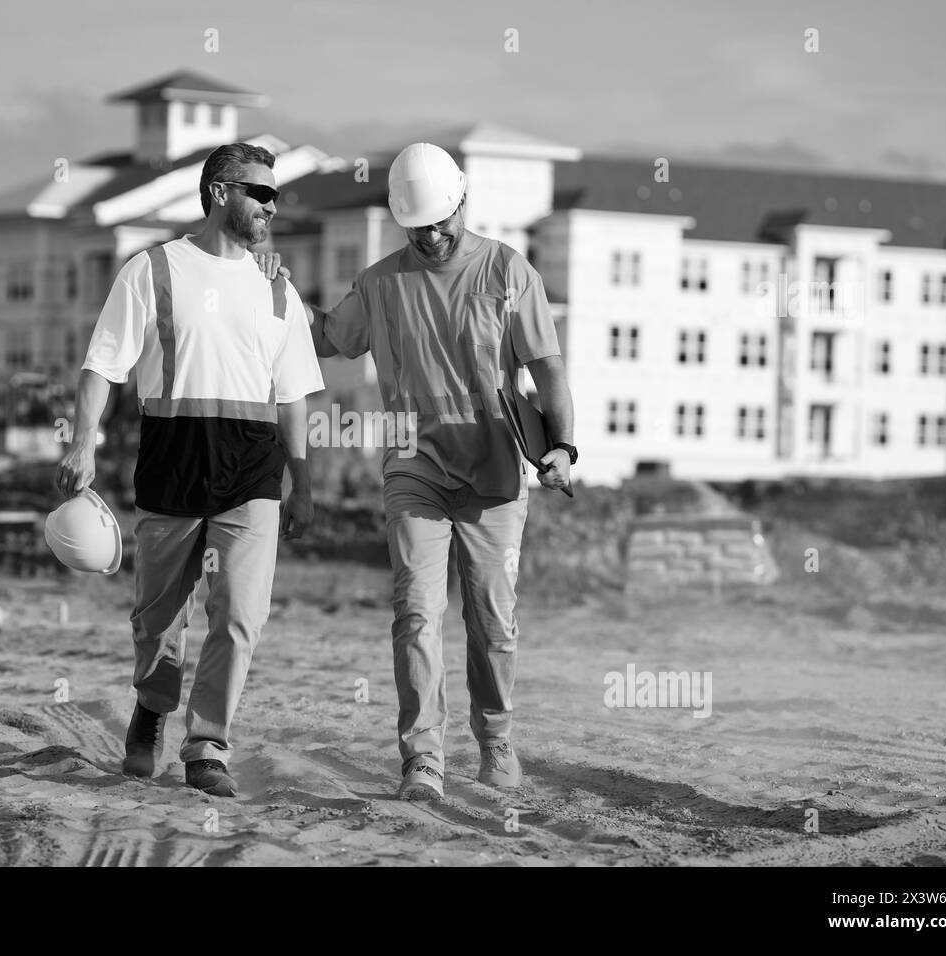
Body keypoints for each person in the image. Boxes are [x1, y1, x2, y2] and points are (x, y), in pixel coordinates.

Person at [307, 142, 576, 801]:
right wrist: (267, 298)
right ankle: (422, 759)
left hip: (494, 469)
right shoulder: (379, 284)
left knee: (491, 619)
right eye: (416, 226)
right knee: (417, 612)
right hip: (413, 466)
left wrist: (563, 445)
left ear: (462, 202)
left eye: (440, 221)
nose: (430, 236)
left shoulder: (510, 273)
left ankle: (496, 743)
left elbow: (547, 369)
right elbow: (323, 338)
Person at [56, 142, 323, 798]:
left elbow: (293, 396)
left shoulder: (280, 290)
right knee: (158, 617)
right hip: (172, 460)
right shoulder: (152, 270)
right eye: (259, 193)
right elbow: (103, 365)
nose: (271, 205)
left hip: (254, 468)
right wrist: (83, 443)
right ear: (218, 192)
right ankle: (151, 709)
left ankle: (208, 745)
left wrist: (304, 479)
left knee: (241, 614)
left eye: (275, 195)